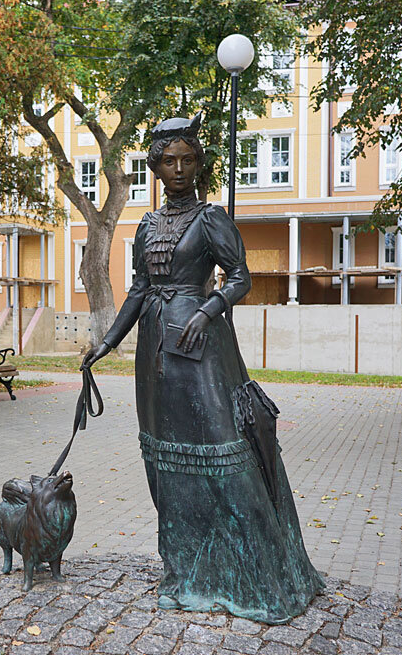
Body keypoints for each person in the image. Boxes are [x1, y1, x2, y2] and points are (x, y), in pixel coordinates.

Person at [82, 115, 324, 623]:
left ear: (198, 165)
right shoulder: (147, 226)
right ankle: (185, 571)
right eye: (168, 161)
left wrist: (205, 310)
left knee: (223, 456)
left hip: (201, 349)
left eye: (187, 160)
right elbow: (138, 292)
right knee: (165, 461)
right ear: (155, 167)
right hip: (154, 351)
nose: (178, 169)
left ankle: (258, 577)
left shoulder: (211, 218)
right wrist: (106, 343)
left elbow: (240, 278)